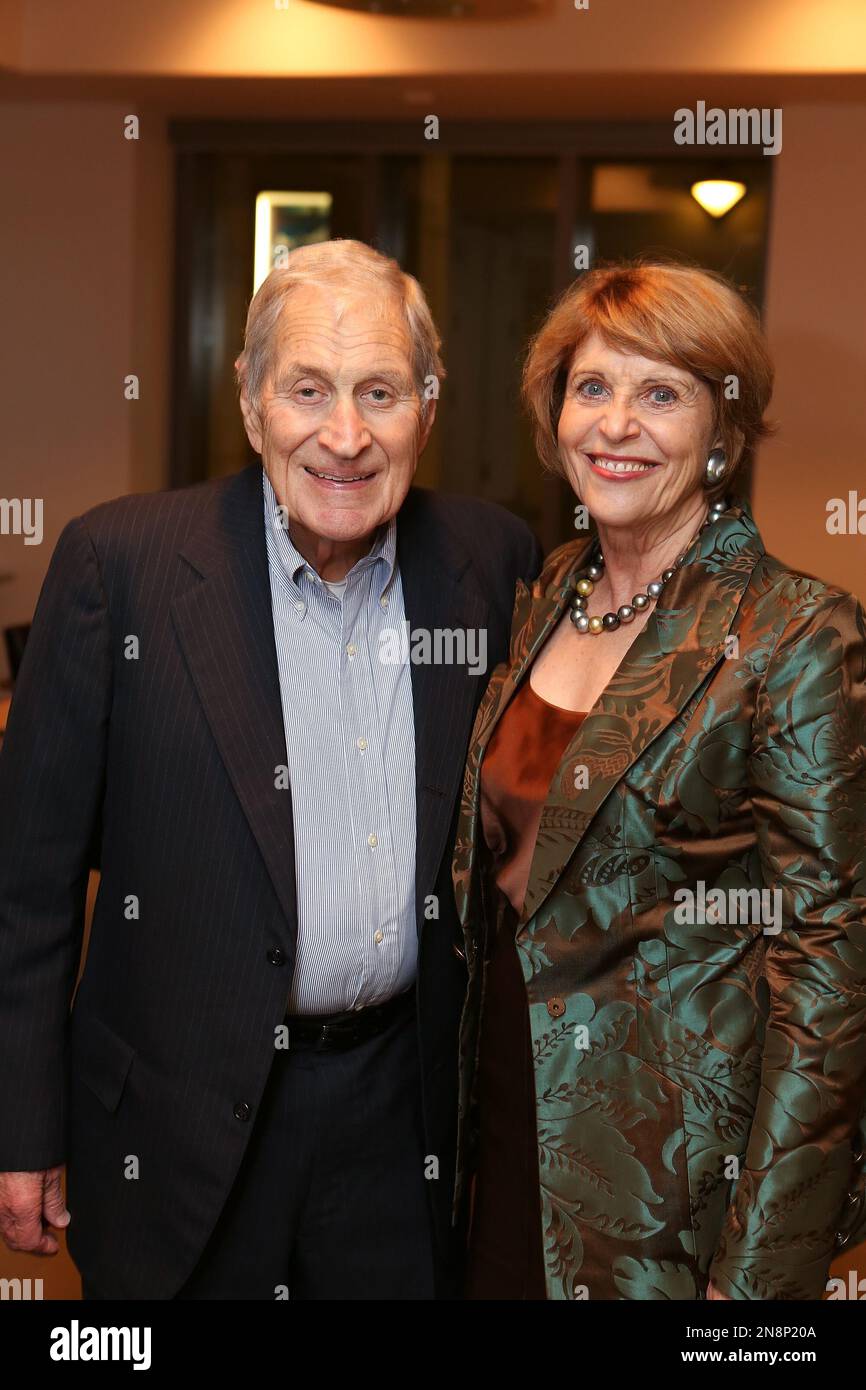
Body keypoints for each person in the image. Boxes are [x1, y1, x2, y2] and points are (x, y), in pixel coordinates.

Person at [0, 238, 541, 1299]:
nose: (344, 435)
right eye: (306, 389)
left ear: (426, 409)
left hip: (399, 1118)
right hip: (173, 1120)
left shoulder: (490, 564)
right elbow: (25, 889)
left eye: (378, 391)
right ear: (250, 405)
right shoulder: (122, 569)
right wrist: (22, 1127)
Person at [452, 260, 866, 1301]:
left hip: (676, 1182)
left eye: (661, 392)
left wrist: (761, 1270)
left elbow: (829, 973)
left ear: (720, 430)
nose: (616, 424)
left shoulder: (793, 632)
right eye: (591, 388)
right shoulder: (551, 586)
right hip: (503, 1123)